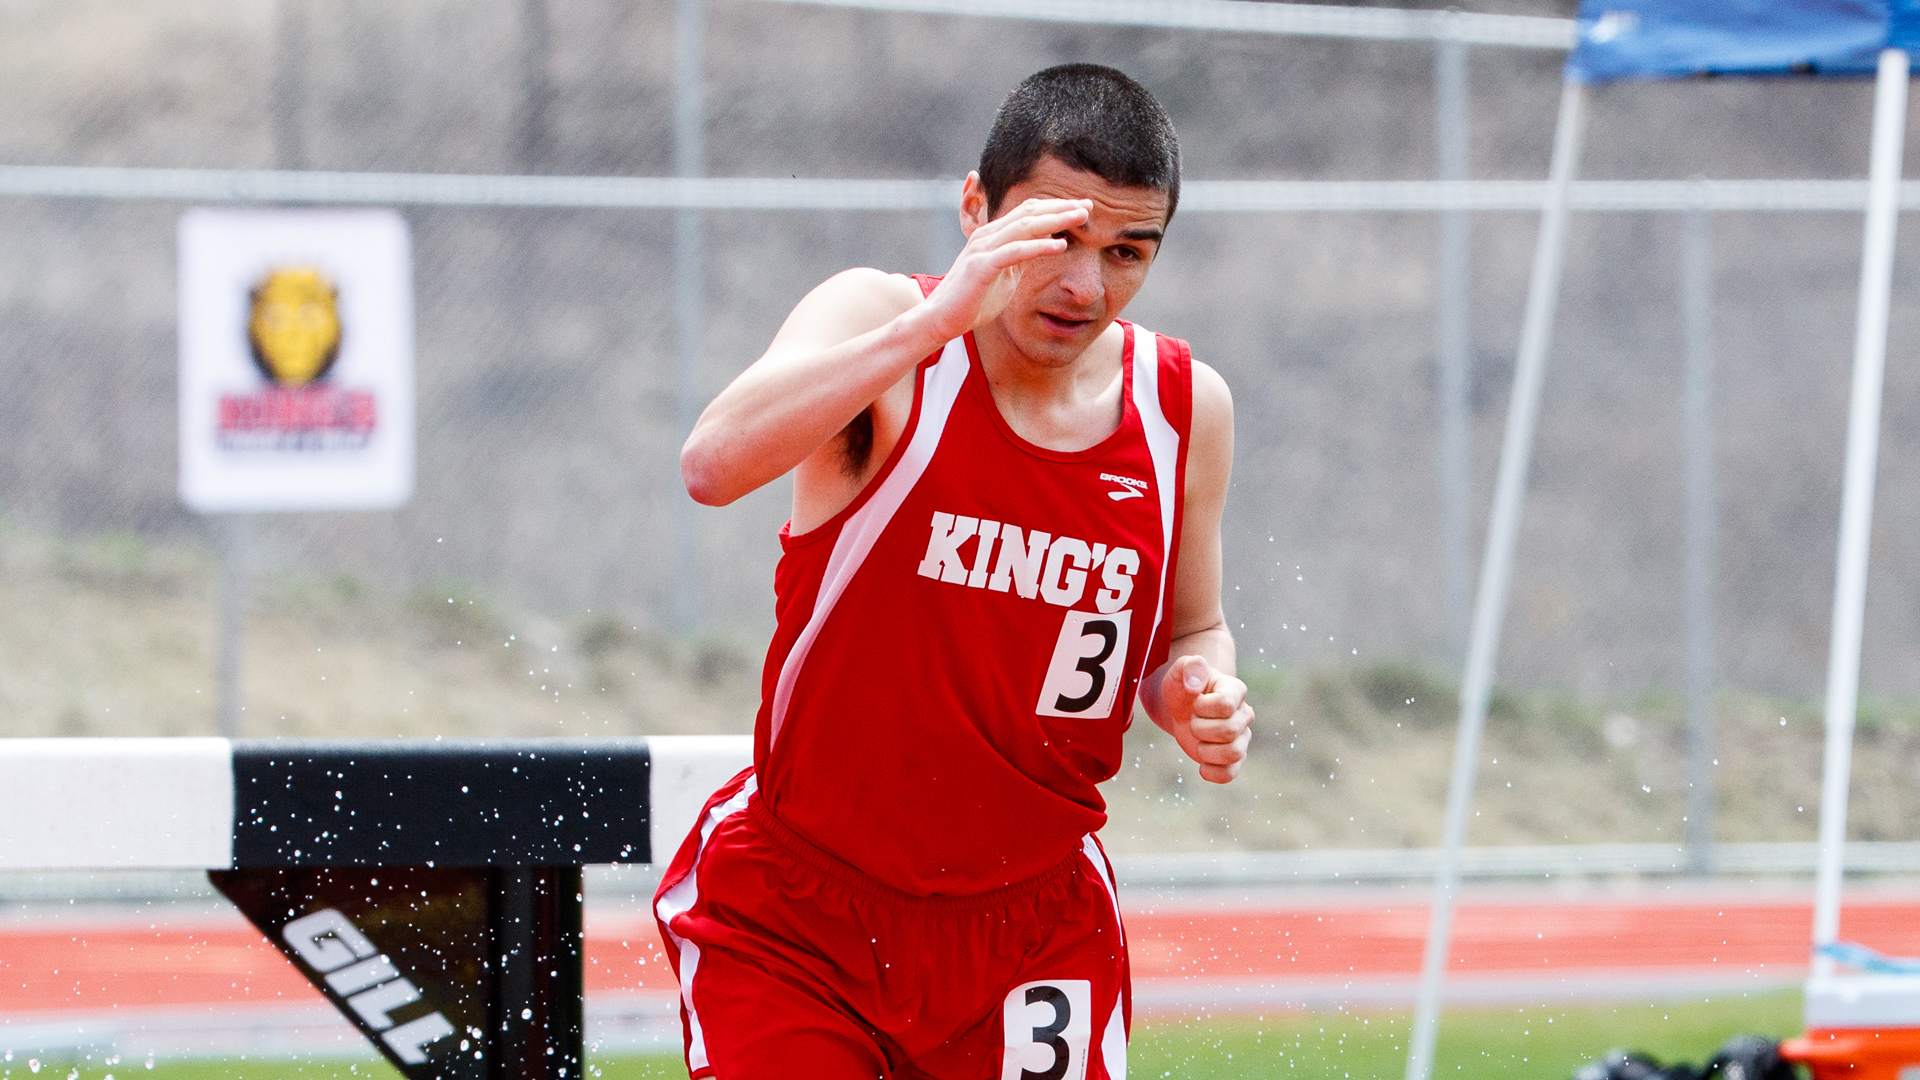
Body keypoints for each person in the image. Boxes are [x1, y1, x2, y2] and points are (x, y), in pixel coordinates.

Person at [654, 63, 1253, 1080]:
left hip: (1032, 930)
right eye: (1055, 238)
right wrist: (936, 323)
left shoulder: (1184, 409)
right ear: (976, 209)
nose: (1083, 287)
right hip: (804, 914)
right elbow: (712, 466)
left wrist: (1196, 687)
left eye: (1126, 254)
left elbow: (1188, 625)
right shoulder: (881, 324)